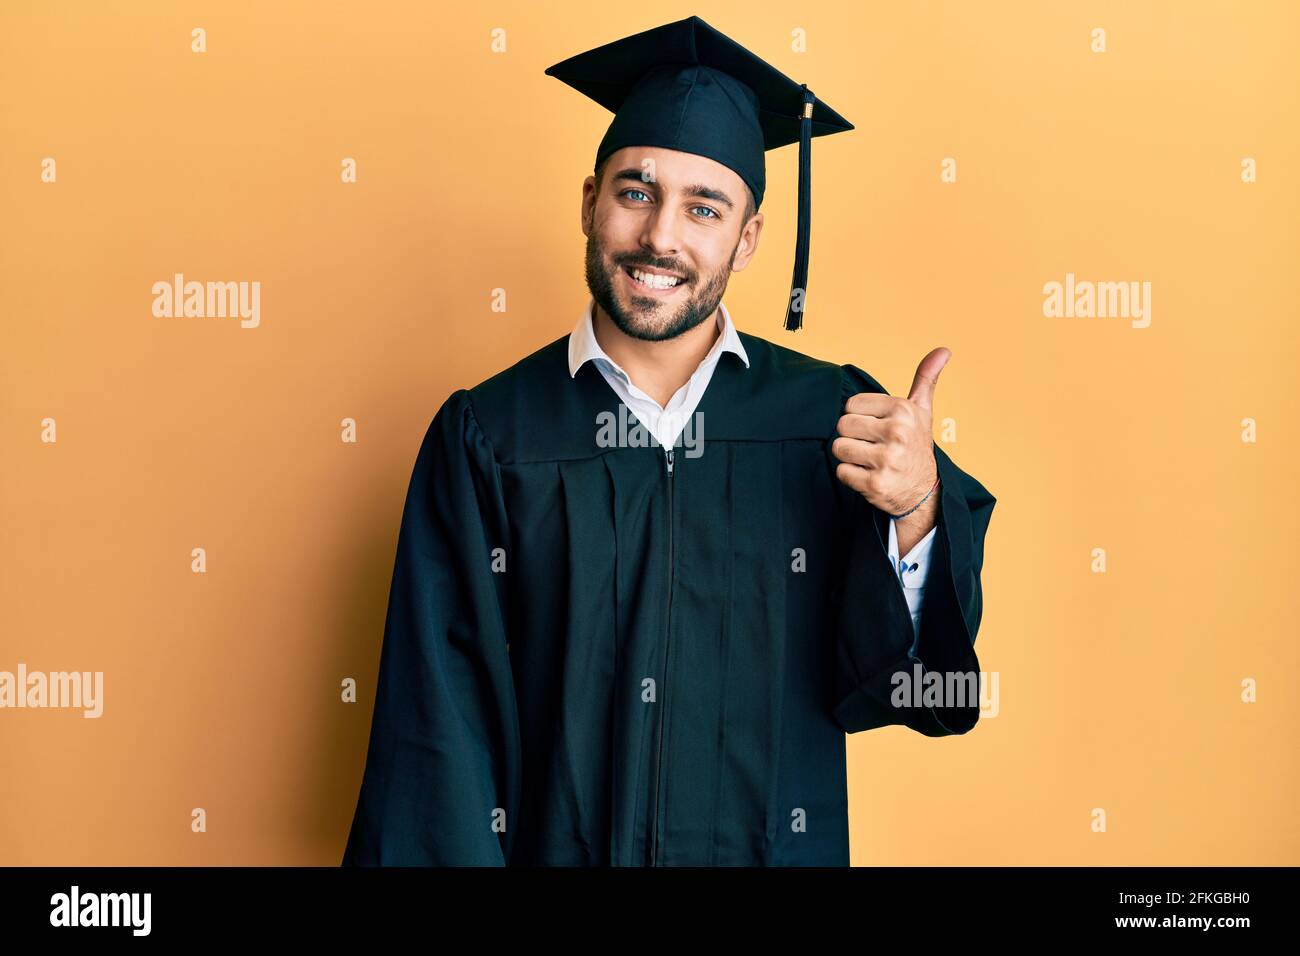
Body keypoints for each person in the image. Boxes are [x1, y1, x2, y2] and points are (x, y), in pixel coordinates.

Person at [341, 15, 996, 866]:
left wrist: (915, 510)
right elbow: (435, 732)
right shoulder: (491, 434)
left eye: (705, 207)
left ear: (748, 239)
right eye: (636, 192)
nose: (661, 237)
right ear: (590, 203)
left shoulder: (832, 422)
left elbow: (903, 689)